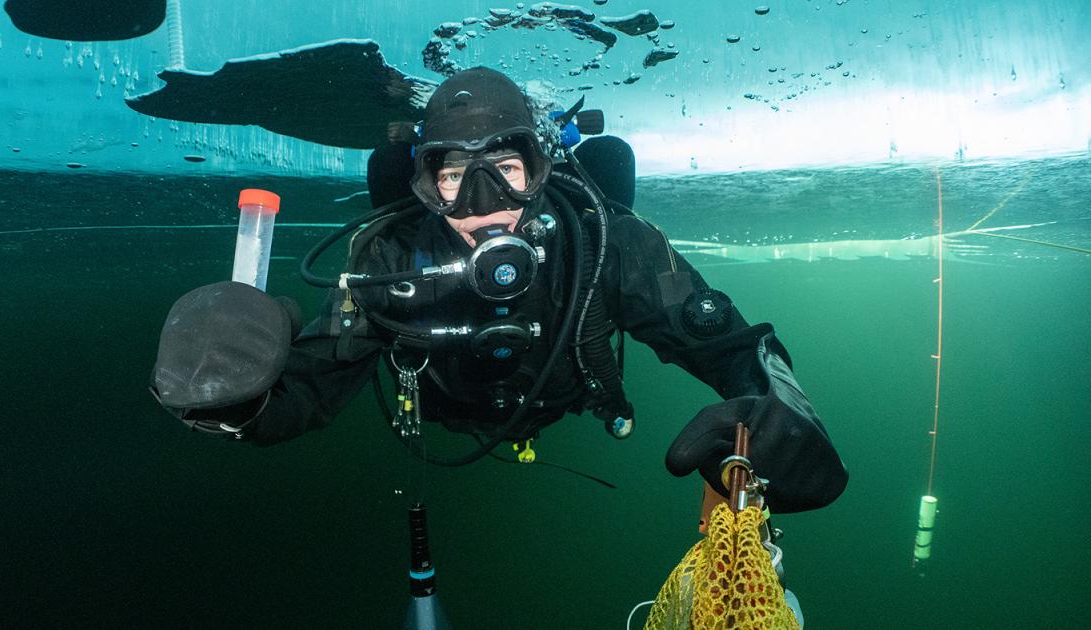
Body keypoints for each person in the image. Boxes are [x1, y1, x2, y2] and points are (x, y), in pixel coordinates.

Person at [150, 67, 847, 513]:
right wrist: (233, 402)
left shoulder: (606, 241)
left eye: (506, 169)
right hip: (449, 417)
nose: (484, 205)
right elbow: (308, 390)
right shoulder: (390, 259)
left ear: (539, 171)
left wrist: (788, 412)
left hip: (565, 407)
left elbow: (730, 344)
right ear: (425, 185)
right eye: (455, 176)